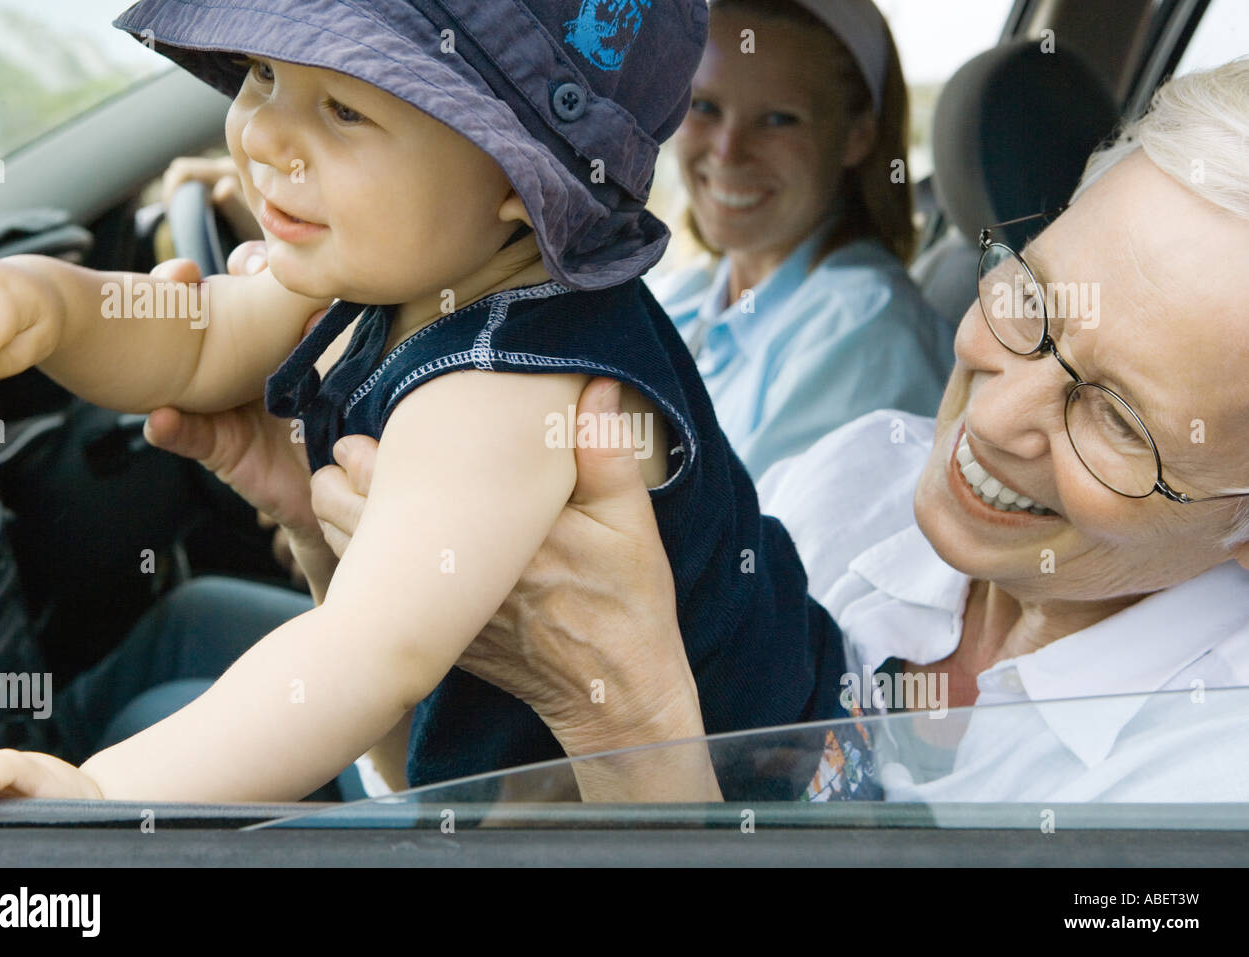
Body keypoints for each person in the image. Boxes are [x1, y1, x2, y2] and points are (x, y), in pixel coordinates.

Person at [0, 0, 845, 809]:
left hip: (765, 810)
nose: (262, 135)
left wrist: (102, 789)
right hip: (526, 786)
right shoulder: (415, 262)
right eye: (264, 75)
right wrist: (45, 305)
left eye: (344, 111)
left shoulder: (503, 387)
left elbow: (364, 655)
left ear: (516, 180)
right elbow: (196, 338)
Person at [303, 57, 1249, 802]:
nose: (990, 421)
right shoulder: (860, 474)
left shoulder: (1209, 782)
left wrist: (629, 729)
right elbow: (463, 793)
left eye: (1120, 420)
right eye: (1030, 298)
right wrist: (327, 535)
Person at [653, 0, 953, 479]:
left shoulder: (865, 330)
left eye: (778, 119)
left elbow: (738, 548)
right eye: (704, 106)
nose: (728, 151)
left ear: (857, 136)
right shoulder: (684, 298)